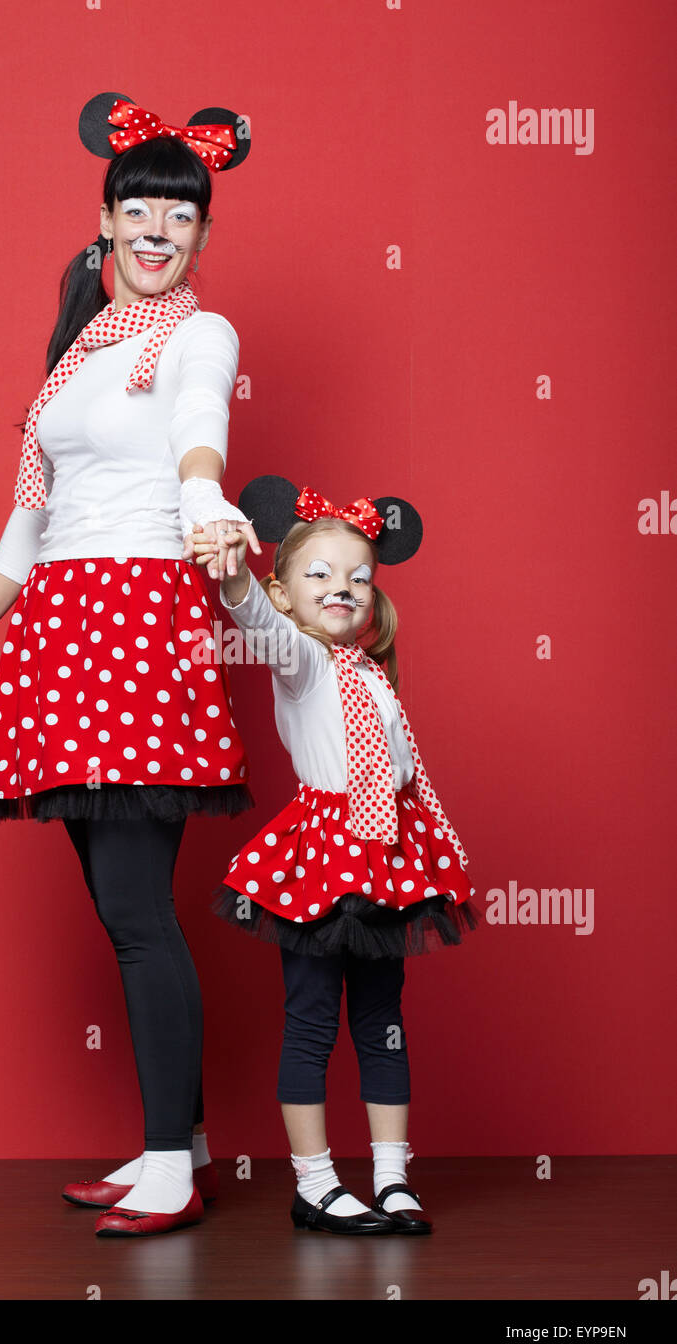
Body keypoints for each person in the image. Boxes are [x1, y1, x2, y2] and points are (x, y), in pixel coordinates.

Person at [0, 92, 261, 1237]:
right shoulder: (77, 352)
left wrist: (200, 492)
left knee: (136, 910)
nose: (158, 229)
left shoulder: (196, 333)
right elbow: (33, 513)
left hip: (139, 612)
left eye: (181, 213)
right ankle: (177, 1139)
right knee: (111, 901)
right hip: (59, 629)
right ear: (106, 218)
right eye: (141, 208)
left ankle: (173, 1164)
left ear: (203, 236)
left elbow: (197, 422)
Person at [190, 476, 486, 1235]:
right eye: (318, 574)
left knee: (383, 1019)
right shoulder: (302, 660)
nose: (341, 588)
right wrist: (231, 572)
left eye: (358, 576)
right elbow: (252, 617)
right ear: (285, 595)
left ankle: (392, 1180)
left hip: (385, 853)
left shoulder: (371, 674)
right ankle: (314, 1184)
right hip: (321, 854)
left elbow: (397, 769)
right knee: (312, 1018)